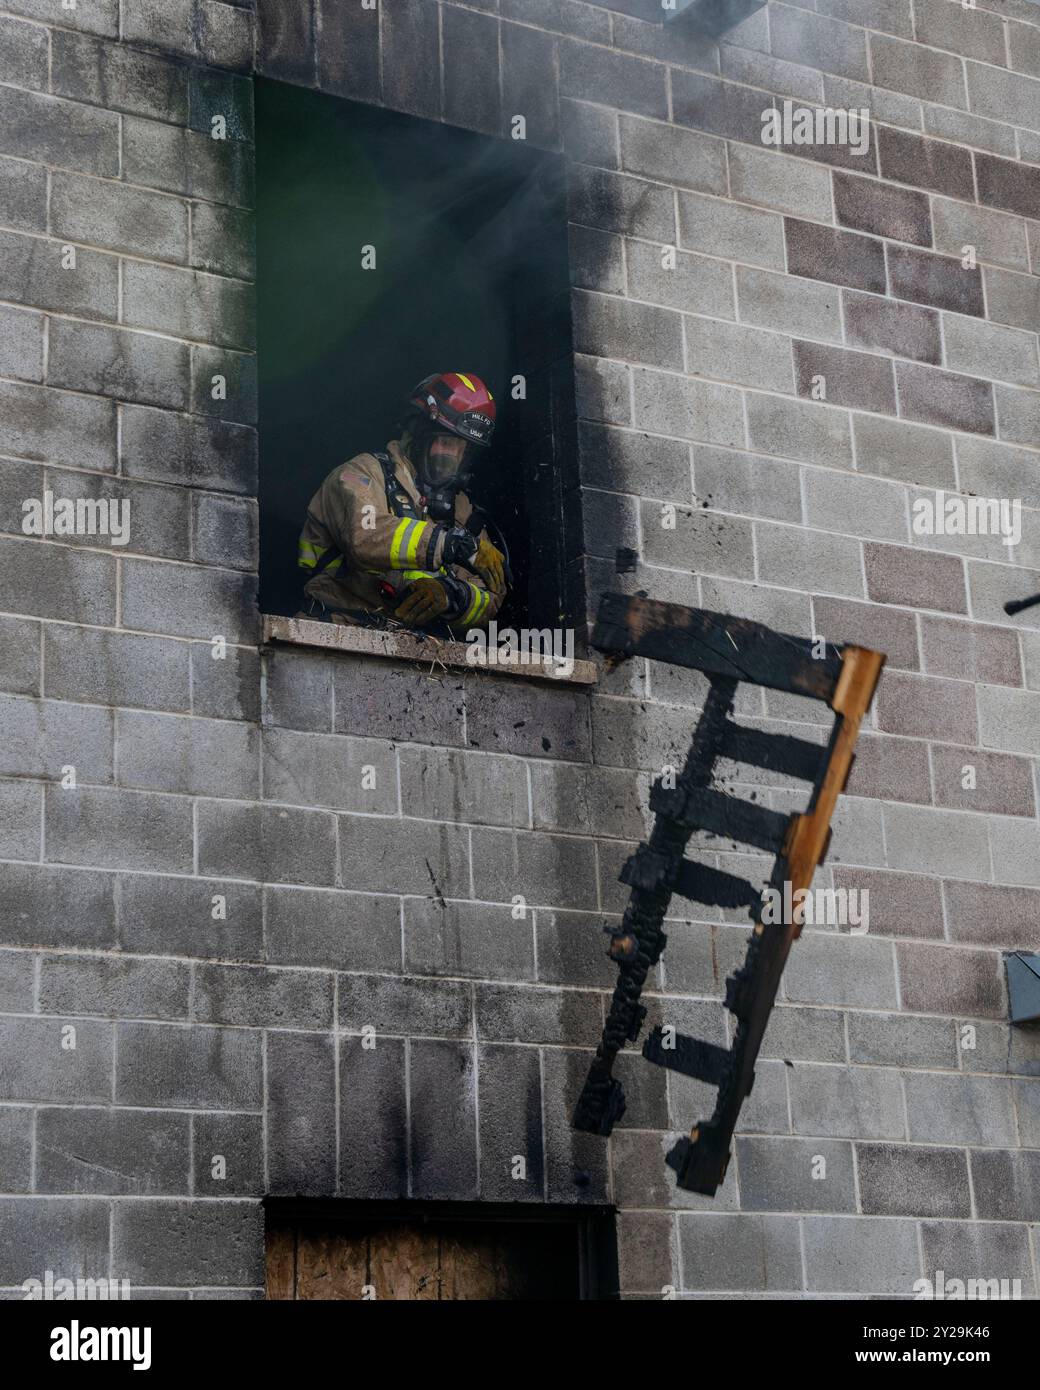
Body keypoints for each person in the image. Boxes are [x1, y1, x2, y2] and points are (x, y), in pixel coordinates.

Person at [297, 372, 508, 632]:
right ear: (418, 433)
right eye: (444, 442)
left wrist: (452, 595)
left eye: (459, 447)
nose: (450, 456)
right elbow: (364, 537)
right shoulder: (361, 474)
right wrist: (450, 544)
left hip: (408, 651)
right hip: (334, 631)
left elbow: (491, 595)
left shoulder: (462, 511)